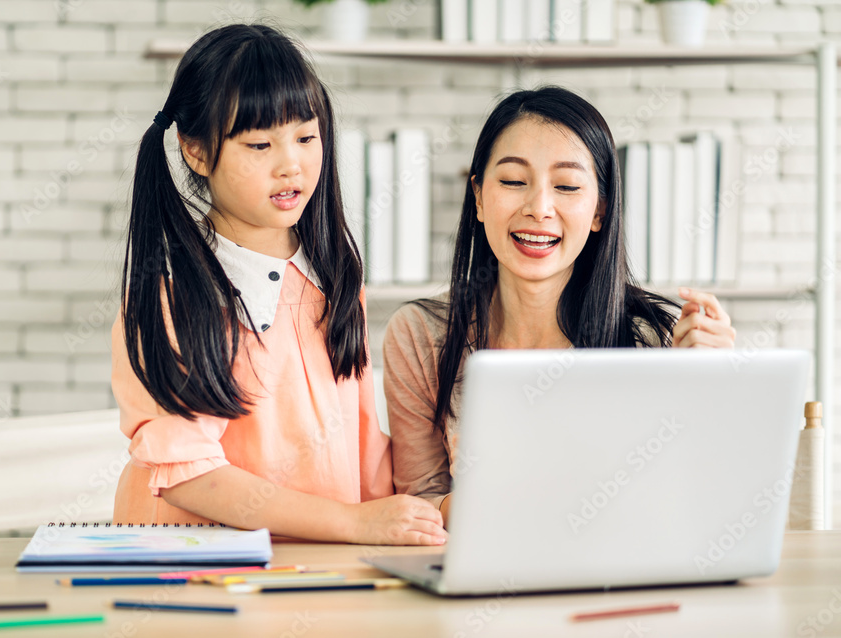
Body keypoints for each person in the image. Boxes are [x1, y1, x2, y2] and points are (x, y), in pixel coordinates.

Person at [110, 24, 445, 546]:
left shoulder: (333, 277)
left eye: (306, 137)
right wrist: (354, 524)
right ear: (195, 151)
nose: (291, 164)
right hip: (189, 573)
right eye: (260, 144)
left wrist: (429, 509)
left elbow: (359, 446)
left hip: (312, 569)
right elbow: (190, 476)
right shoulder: (174, 295)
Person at [383, 86, 736, 524]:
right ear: (477, 196)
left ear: (598, 212)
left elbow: (693, 500)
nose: (539, 208)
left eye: (567, 186)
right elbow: (419, 504)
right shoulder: (421, 334)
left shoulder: (653, 338)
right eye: (513, 181)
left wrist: (712, 395)